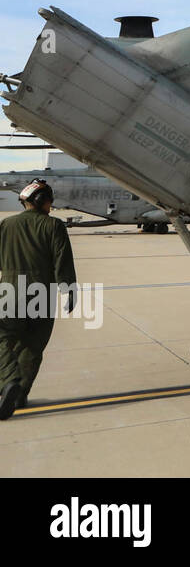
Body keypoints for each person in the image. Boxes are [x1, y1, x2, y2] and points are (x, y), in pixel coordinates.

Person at [0, 179, 76, 419]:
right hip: (42, 293)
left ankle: (9, 380)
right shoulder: (54, 226)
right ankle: (20, 393)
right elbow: (62, 261)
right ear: (42, 201)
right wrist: (69, 289)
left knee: (3, 337)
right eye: (49, 202)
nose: (51, 207)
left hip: (10, 291)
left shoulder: (6, 224)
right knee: (32, 347)